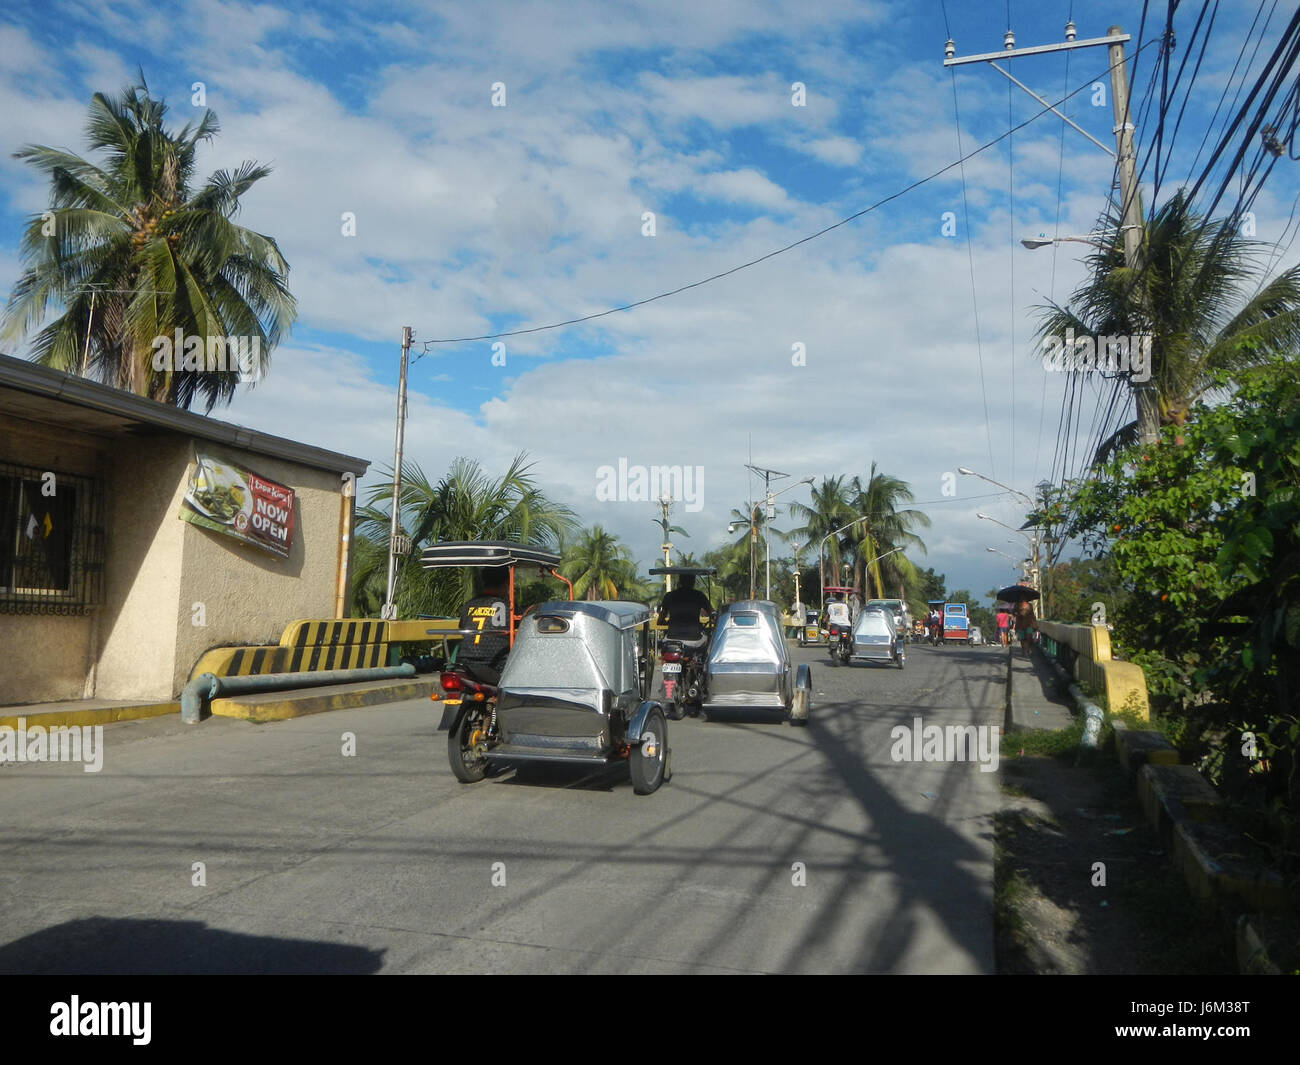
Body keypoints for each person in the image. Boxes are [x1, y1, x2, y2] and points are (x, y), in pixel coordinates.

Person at [456, 566, 511, 685]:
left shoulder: (469, 605)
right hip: (495, 664)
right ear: (506, 583)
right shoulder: (508, 607)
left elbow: (462, 627)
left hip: (464, 661)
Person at [657, 573, 714, 648]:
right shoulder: (699, 595)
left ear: (680, 581)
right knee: (708, 642)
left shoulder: (669, 596)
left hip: (672, 637)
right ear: (693, 582)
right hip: (695, 637)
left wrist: (669, 623)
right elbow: (712, 614)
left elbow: (660, 620)